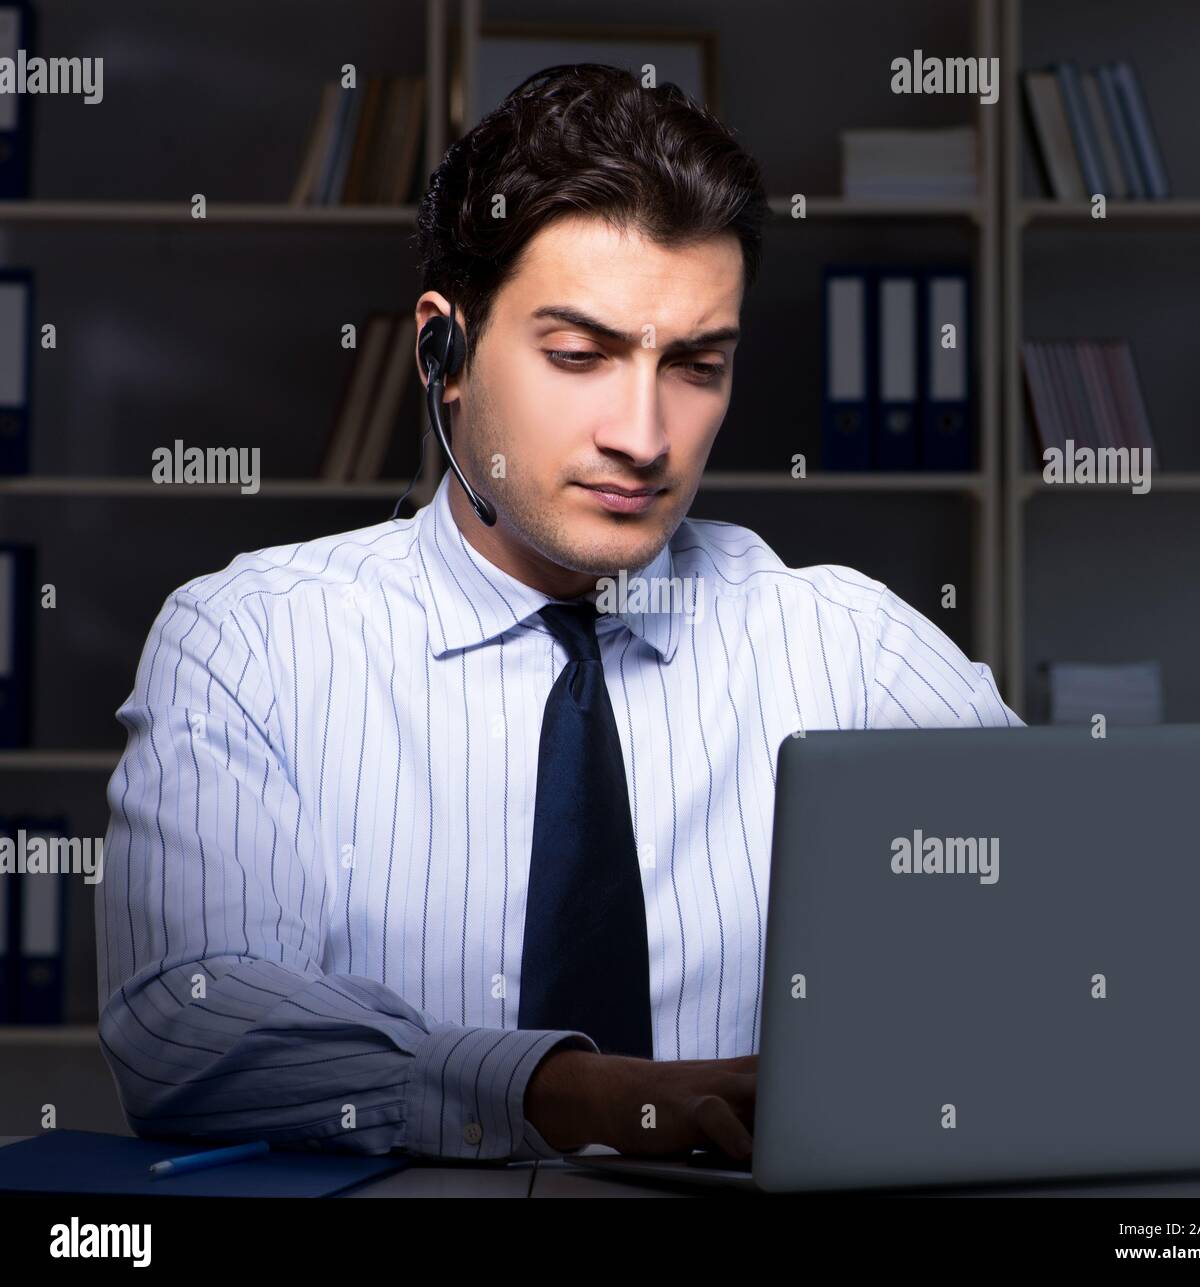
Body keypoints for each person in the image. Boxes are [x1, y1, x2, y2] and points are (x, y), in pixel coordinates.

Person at [96, 63, 1023, 1168]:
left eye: (694, 364)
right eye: (578, 356)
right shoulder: (250, 641)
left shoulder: (850, 649)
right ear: (442, 352)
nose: (644, 434)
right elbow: (184, 1029)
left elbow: (1079, 935)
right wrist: (564, 1093)